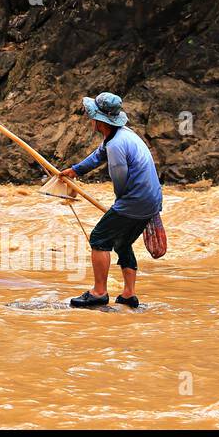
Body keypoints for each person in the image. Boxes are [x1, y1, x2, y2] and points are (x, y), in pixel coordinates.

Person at [57, 92, 162, 309]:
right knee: (123, 242)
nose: (91, 120)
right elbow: (97, 156)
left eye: (93, 116)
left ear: (100, 120)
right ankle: (129, 294)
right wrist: (75, 171)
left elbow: (120, 179)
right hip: (152, 200)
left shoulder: (116, 145)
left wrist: (120, 207)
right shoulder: (122, 134)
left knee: (99, 239)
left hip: (134, 200)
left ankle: (98, 292)